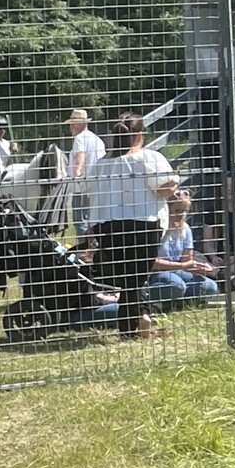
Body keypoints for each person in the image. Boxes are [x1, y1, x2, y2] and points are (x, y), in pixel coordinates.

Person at [83, 111, 178, 338]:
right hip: (143, 225)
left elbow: (87, 191)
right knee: (135, 277)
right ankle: (138, 324)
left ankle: (137, 323)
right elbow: (164, 188)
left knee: (129, 278)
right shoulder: (149, 158)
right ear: (140, 135)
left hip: (107, 227)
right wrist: (174, 185)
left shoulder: (101, 164)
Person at [146, 189, 218, 307]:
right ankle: (153, 299)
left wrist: (198, 268)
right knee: (177, 285)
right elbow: (151, 263)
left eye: (185, 211)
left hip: (178, 272)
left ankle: (174, 304)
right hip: (156, 274)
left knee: (210, 286)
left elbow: (187, 261)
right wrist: (183, 266)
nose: (182, 215)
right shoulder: (158, 228)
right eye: (177, 211)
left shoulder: (186, 228)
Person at [65, 107, 105, 240]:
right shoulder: (97, 140)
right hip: (97, 186)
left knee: (80, 220)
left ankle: (83, 247)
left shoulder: (79, 139)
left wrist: (77, 172)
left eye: (73, 123)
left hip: (81, 187)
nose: (71, 126)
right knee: (92, 220)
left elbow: (80, 156)